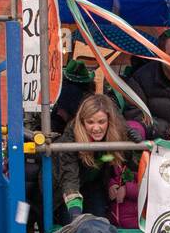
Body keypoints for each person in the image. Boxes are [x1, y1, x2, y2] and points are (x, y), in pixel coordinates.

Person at [54, 94, 140, 222]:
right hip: (61, 190)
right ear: (82, 122)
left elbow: (122, 158)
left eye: (101, 122)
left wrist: (139, 146)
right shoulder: (70, 140)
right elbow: (69, 179)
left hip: (93, 184)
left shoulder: (115, 130)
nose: (96, 128)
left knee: (99, 221)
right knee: (75, 222)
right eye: (90, 122)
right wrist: (75, 216)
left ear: (109, 121)